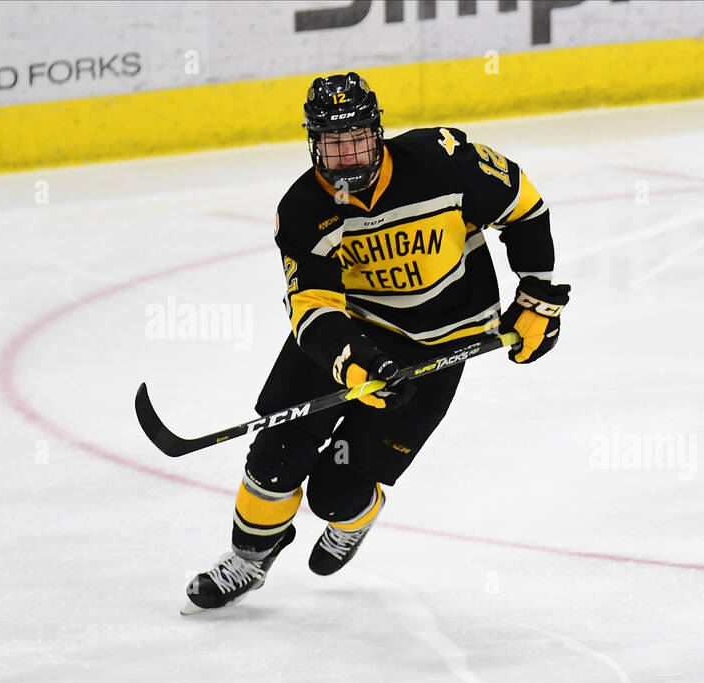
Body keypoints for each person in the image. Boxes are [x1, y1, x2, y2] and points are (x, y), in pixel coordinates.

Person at [185, 72, 568, 612]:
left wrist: (538, 297)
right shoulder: (302, 209)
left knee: (336, 492)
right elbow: (313, 307)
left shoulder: (443, 161)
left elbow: (524, 209)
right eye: (333, 143)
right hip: (350, 337)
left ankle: (353, 520)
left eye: (358, 139)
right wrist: (352, 360)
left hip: (438, 349)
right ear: (313, 143)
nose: (347, 156)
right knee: (275, 456)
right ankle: (249, 561)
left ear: (378, 132)